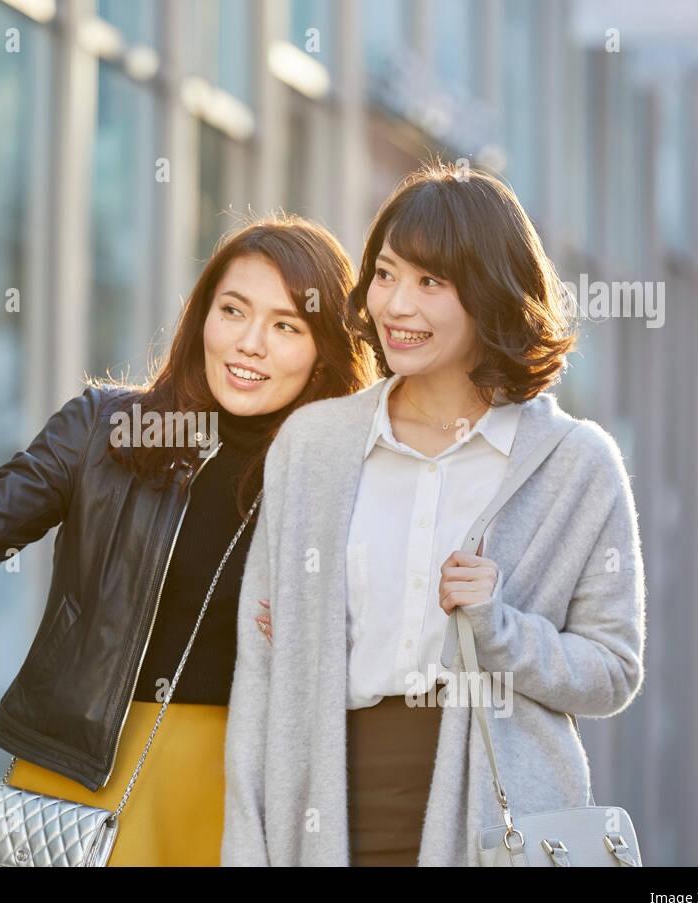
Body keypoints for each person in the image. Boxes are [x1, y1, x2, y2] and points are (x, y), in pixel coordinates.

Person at [0, 213, 378, 865]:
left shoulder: (347, 475)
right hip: (83, 780)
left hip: (245, 792)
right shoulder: (105, 429)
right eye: (233, 311)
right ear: (203, 318)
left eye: (286, 326)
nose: (251, 344)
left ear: (325, 347)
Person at [224, 162, 647, 866]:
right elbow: (261, 676)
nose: (396, 305)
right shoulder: (314, 446)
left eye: (431, 282)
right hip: (324, 821)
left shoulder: (576, 465)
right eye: (386, 274)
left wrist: (501, 630)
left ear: (489, 295)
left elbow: (612, 670)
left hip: (494, 824)